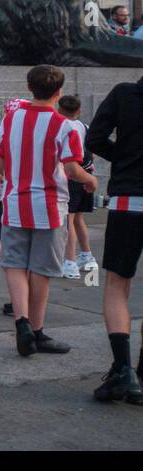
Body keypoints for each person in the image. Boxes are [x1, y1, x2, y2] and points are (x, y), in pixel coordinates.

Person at [0, 65, 97, 357]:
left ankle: (21, 322)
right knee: (41, 269)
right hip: (49, 207)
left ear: (29, 88)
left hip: (14, 203)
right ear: (59, 92)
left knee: (14, 264)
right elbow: (72, 168)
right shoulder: (64, 125)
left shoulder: (11, 118)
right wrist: (90, 180)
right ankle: (37, 330)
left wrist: (15, 175)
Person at [85, 72, 143, 403]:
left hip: (128, 200)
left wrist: (122, 157)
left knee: (117, 284)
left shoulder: (124, 94)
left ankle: (123, 370)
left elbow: (94, 139)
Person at [58, 95, 98, 279]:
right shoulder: (84, 127)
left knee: (68, 221)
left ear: (59, 109)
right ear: (79, 111)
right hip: (86, 175)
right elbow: (91, 152)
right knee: (78, 219)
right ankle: (87, 256)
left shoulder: (62, 127)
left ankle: (70, 262)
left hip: (72, 178)